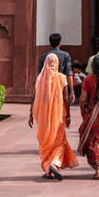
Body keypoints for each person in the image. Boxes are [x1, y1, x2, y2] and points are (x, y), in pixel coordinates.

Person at [29, 53, 78, 181]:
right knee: (59, 141)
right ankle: (54, 164)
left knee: (46, 141)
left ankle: (48, 170)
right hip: (58, 116)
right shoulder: (61, 78)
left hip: (43, 118)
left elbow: (34, 96)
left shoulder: (40, 79)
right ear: (56, 64)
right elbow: (66, 98)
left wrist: (30, 114)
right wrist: (68, 116)